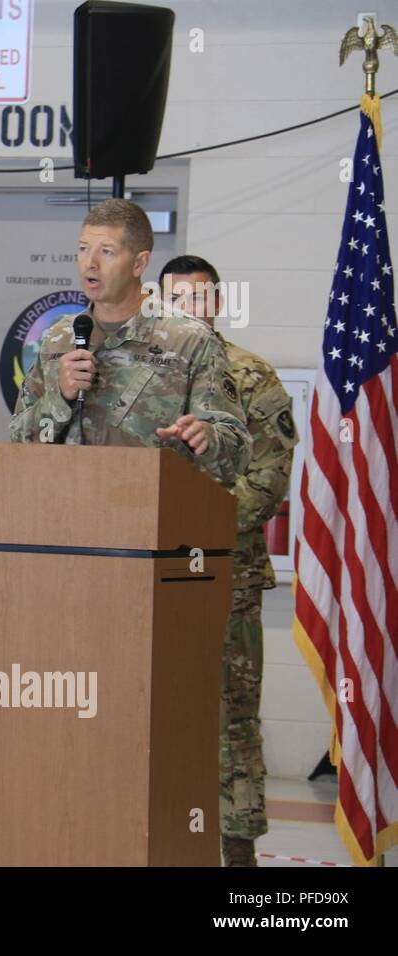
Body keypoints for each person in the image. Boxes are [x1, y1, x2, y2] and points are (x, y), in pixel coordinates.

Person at [159, 255, 298, 867]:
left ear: (218, 303)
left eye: (201, 297)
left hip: (228, 575)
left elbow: (269, 476)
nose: (191, 307)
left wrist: (201, 524)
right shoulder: (135, 376)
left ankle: (236, 855)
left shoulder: (252, 376)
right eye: (177, 298)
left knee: (229, 719)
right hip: (145, 573)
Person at [10, 199, 251, 485]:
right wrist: (59, 397)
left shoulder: (189, 340)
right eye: (83, 249)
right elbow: (20, 440)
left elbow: (238, 456)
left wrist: (207, 437)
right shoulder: (59, 337)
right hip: (66, 512)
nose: (90, 263)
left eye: (107, 252)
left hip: (150, 515)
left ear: (139, 263)